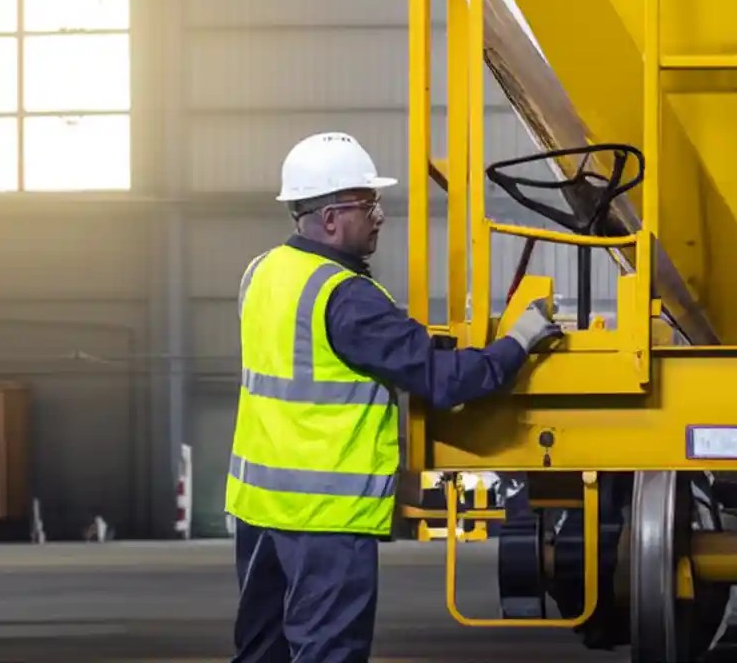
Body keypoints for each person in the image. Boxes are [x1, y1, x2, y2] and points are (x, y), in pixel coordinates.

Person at [225, 131, 561, 662]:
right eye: (367, 204)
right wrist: (520, 341)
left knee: (262, 650)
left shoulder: (262, 272)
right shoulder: (346, 297)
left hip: (261, 509)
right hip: (325, 518)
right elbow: (444, 381)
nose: (379, 215)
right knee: (327, 651)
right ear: (331, 218)